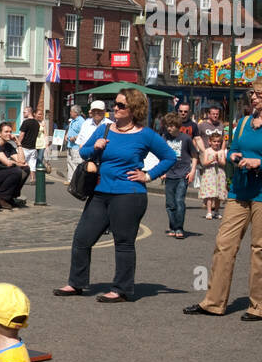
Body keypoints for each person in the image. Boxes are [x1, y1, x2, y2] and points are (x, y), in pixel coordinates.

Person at [185, 75, 262, 321]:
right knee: (224, 244)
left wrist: (261, 162)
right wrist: (234, 157)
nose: (253, 97)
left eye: (258, 93)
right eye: (252, 93)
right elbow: (234, 148)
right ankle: (213, 302)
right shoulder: (245, 122)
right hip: (239, 190)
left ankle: (258, 306)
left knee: (260, 249)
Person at [54, 88, 176, 302]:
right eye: (115, 104)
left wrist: (148, 176)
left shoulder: (145, 134)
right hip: (100, 193)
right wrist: (95, 147)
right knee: (82, 238)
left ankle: (121, 289)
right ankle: (76, 283)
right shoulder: (105, 129)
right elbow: (83, 151)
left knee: (124, 242)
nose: (115, 108)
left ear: (134, 110)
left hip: (129, 195)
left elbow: (169, 157)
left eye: (121, 105)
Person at [159, 113, 198, 238]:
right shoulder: (164, 137)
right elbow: (161, 155)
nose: (169, 129)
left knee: (179, 200)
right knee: (170, 203)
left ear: (177, 126)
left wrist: (192, 171)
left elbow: (194, 155)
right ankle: (173, 226)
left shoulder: (186, 138)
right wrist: (162, 171)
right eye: (167, 126)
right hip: (169, 174)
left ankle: (179, 228)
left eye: (171, 126)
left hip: (183, 174)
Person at [0, 122, 31, 209]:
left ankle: (11, 197)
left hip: (1, 172)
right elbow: (7, 163)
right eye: (6, 132)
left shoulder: (8, 146)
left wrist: (18, 143)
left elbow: (22, 161)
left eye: (10, 132)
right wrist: (18, 164)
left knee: (26, 169)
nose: (9, 134)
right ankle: (0, 197)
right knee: (16, 171)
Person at [197, 128, 228, 219]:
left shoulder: (221, 152)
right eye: (214, 141)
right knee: (210, 195)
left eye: (218, 142)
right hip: (209, 174)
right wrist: (212, 160)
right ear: (210, 142)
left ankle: (217, 211)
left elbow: (224, 163)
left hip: (219, 174)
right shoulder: (207, 151)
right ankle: (209, 211)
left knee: (218, 195)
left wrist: (218, 160)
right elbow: (204, 163)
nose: (216, 143)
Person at [63, 105, 85, 182]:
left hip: (76, 146)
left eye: (71, 111)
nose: (70, 113)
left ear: (76, 113)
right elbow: (70, 129)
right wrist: (66, 135)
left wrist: (75, 137)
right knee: (69, 162)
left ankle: (76, 181)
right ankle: (70, 180)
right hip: (70, 145)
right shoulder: (72, 120)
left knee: (76, 163)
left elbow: (83, 133)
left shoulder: (81, 121)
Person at [18, 106, 41, 172]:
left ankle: (20, 180)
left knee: (21, 164)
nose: (23, 113)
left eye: (24, 112)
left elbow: (22, 134)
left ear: (29, 112)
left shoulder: (26, 122)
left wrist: (18, 143)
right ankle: (33, 179)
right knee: (32, 166)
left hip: (24, 147)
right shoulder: (37, 123)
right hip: (33, 148)